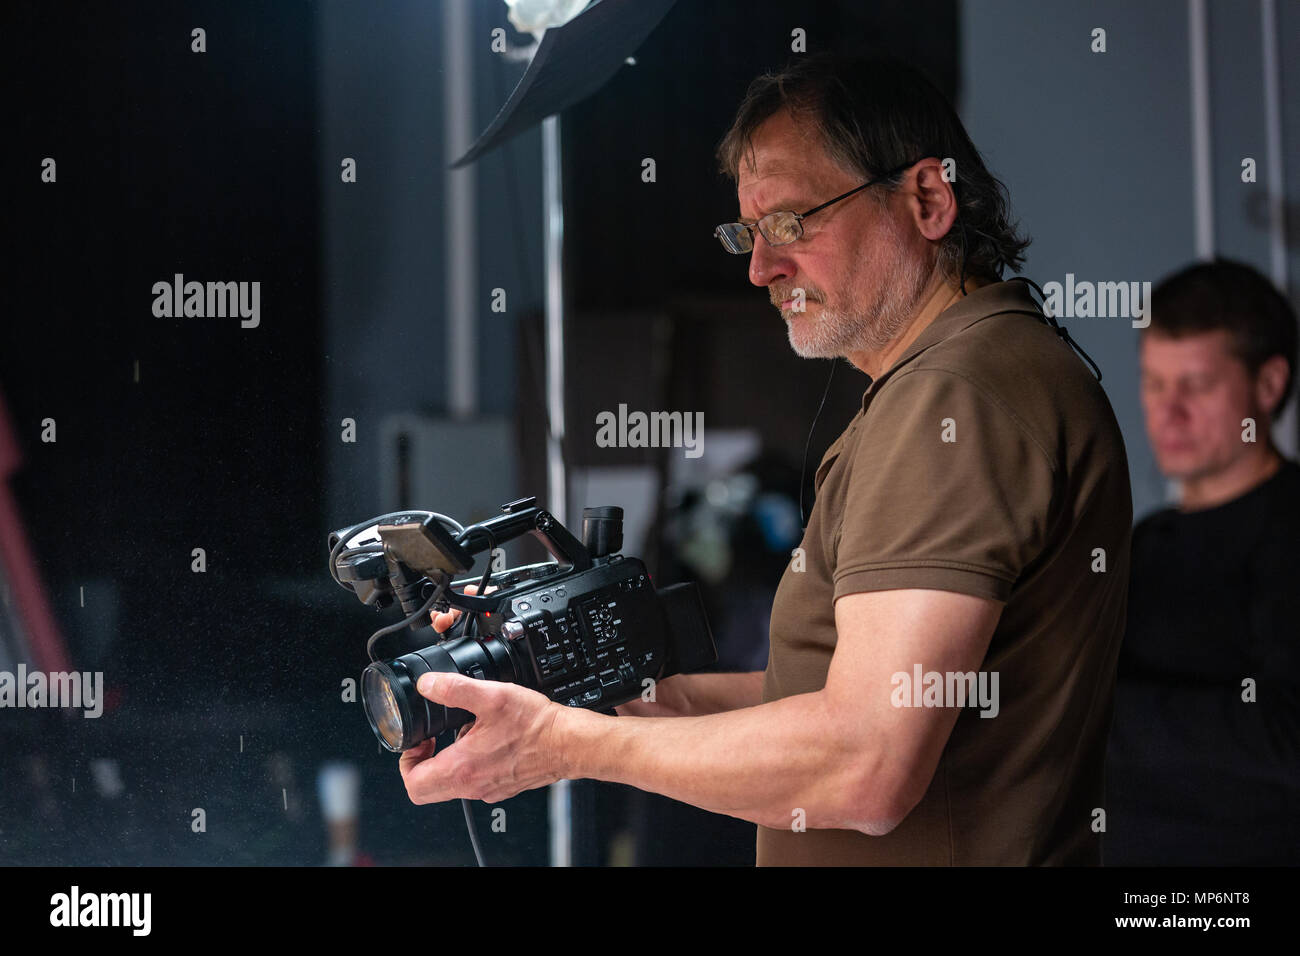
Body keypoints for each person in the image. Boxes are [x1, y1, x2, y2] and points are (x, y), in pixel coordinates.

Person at [398, 53, 1133, 866]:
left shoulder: (953, 398)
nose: (760, 267)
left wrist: (564, 746)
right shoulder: (980, 369)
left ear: (926, 199)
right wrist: (608, 700)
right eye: (747, 231)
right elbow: (829, 696)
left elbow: (865, 763)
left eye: (792, 222)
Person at [1105, 259, 1300, 864]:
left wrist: (1087, 705)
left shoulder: (1290, 528)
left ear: (1267, 387)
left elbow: (1288, 733)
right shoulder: (1145, 538)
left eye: (1198, 385)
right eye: (1155, 384)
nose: (1169, 412)